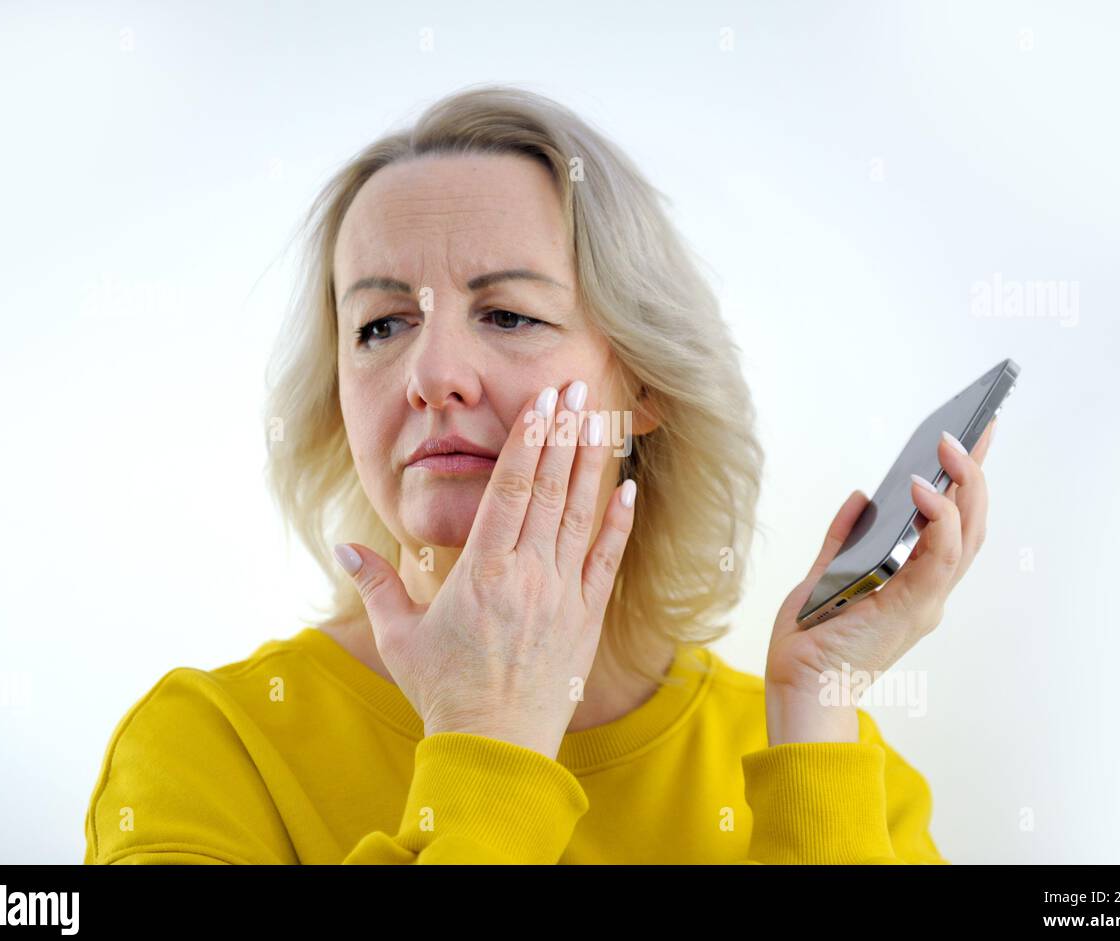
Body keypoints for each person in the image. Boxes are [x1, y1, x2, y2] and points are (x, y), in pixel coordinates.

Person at [84, 83, 994, 864]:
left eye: (510, 314)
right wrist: (488, 744)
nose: (432, 373)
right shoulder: (205, 744)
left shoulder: (828, 754)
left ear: (644, 385)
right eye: (380, 325)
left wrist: (817, 705)